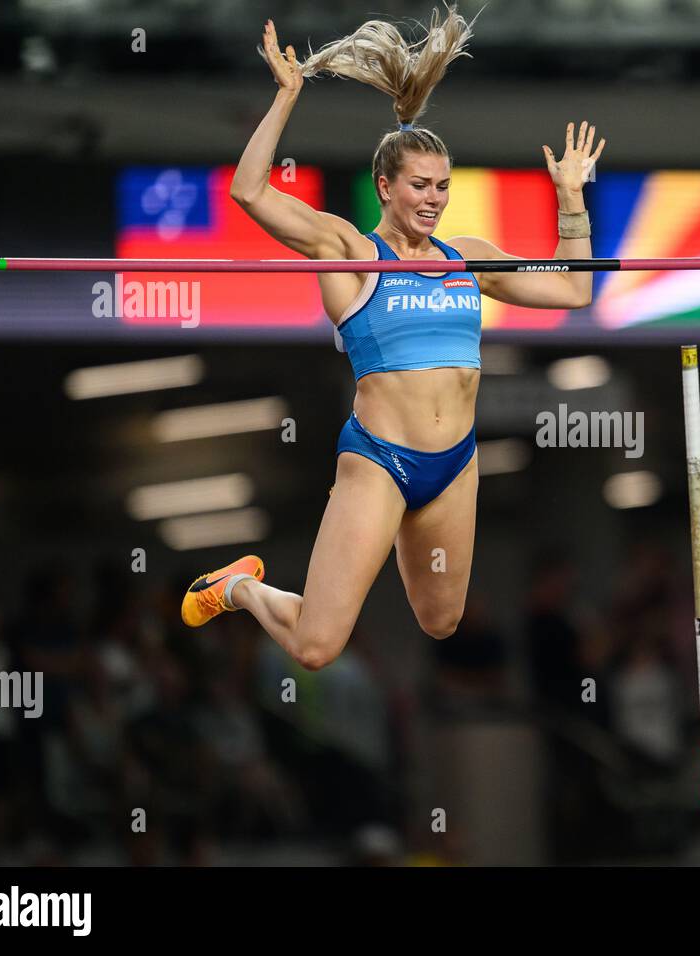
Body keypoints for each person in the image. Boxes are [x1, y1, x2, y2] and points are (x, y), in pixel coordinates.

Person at [180, 6, 606, 674]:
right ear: (385, 186)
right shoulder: (348, 251)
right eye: (419, 186)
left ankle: (262, 589)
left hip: (454, 463)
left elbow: (574, 291)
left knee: (442, 621)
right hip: (380, 462)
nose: (433, 199)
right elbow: (248, 191)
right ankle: (239, 587)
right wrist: (287, 96)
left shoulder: (468, 258)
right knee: (318, 647)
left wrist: (572, 199)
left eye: (442, 185)